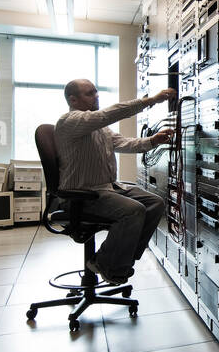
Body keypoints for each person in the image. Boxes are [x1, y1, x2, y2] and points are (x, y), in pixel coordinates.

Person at [53, 79, 176, 285]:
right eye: (90, 93)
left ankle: (119, 261)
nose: (96, 96)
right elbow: (108, 114)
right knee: (133, 210)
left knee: (156, 203)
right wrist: (151, 100)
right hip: (82, 195)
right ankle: (108, 265)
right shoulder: (70, 121)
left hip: (108, 189)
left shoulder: (99, 129)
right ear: (73, 100)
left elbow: (125, 143)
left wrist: (154, 140)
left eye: (96, 92)